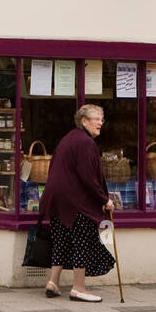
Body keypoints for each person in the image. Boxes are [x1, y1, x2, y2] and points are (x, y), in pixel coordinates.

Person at [38, 103, 115, 301]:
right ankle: (79, 288)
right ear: (83, 121)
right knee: (82, 242)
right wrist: (104, 199)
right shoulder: (85, 142)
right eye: (96, 118)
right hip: (76, 202)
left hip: (57, 201)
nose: (100, 122)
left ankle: (53, 282)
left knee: (61, 241)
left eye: (101, 119)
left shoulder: (68, 139)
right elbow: (88, 177)